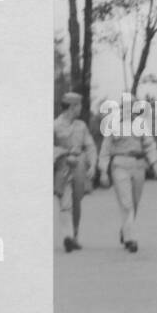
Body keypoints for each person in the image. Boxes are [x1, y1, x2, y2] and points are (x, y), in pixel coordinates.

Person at [97, 98, 157, 253]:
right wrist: (103, 171)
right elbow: (105, 150)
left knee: (135, 203)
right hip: (120, 165)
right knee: (127, 204)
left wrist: (155, 163)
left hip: (138, 165)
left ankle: (125, 229)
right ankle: (130, 239)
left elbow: (149, 144)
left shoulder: (141, 124)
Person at [53, 91, 97, 252]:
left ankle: (74, 235)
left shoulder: (81, 126)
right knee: (65, 203)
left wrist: (92, 165)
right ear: (72, 107)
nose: (80, 108)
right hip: (62, 166)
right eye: (78, 105)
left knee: (76, 202)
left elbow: (90, 146)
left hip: (79, 166)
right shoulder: (55, 126)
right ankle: (67, 237)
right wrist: (64, 153)